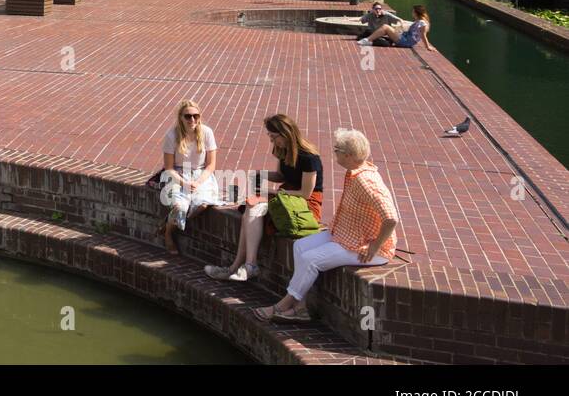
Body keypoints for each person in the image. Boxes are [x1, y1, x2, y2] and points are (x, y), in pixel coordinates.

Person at [255, 129, 397, 323]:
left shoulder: (366, 181)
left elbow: (391, 218)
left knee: (311, 259)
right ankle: (301, 307)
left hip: (364, 247)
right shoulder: (355, 172)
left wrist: (375, 246)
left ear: (348, 155)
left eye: (337, 149)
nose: (334, 152)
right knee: (300, 246)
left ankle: (284, 304)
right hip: (345, 234)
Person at [205, 114, 323, 283]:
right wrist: (261, 174)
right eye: (270, 137)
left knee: (254, 207)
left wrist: (275, 194)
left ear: (286, 133)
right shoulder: (282, 150)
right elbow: (282, 176)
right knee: (251, 206)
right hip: (288, 196)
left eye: (274, 137)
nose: (272, 141)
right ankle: (244, 265)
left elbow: (306, 193)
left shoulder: (310, 157)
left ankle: (239, 266)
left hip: (305, 204)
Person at [160, 99, 219, 254]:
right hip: (179, 174)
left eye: (196, 116)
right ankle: (168, 234)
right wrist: (184, 183)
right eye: (187, 116)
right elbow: (169, 168)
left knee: (202, 204)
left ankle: (167, 223)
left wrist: (198, 182)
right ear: (180, 117)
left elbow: (211, 165)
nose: (192, 120)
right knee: (180, 206)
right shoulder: (172, 136)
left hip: (202, 174)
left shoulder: (207, 133)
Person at [358, 4, 434, 50]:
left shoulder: (422, 23)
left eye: (413, 11)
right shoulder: (419, 21)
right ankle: (369, 41)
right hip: (405, 38)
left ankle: (367, 40)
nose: (412, 13)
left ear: (417, 13)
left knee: (385, 27)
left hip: (406, 42)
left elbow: (423, 35)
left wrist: (427, 47)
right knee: (387, 34)